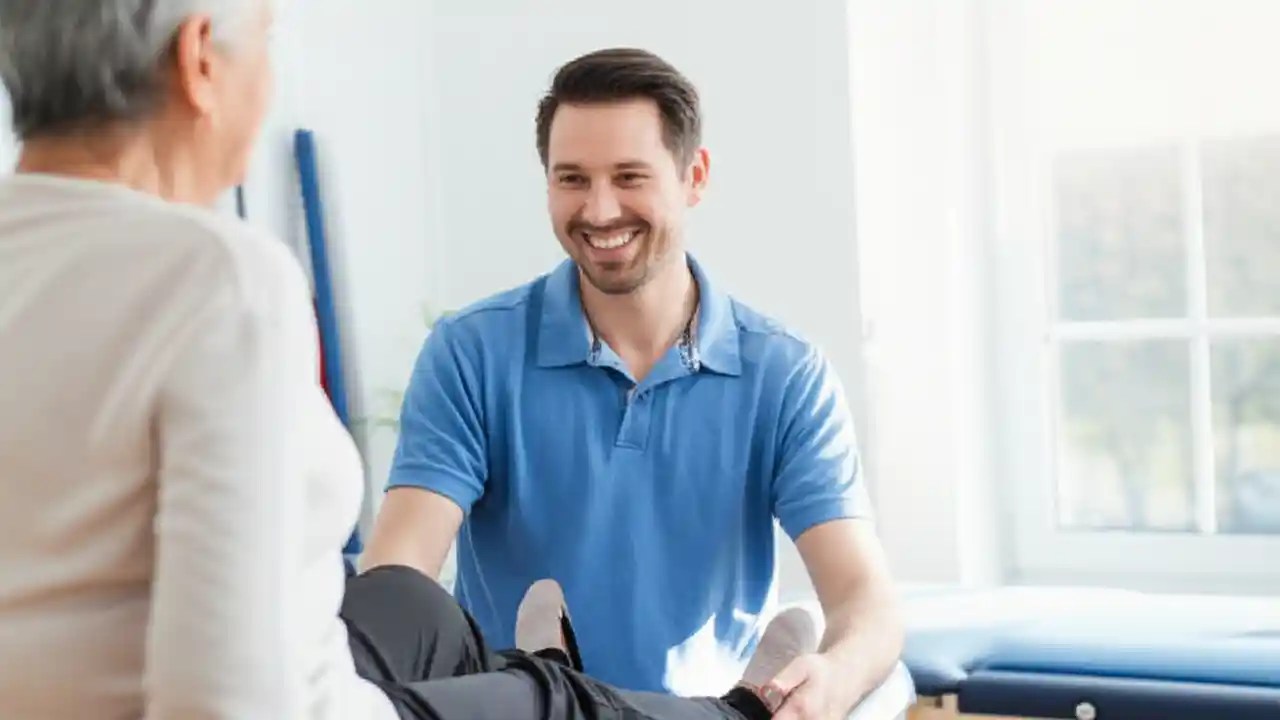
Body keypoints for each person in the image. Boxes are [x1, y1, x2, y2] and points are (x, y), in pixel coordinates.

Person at [0, 3, 815, 719]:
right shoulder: (217, 279)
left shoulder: (779, 364)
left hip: (328, 653)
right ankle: (737, 711)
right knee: (550, 703)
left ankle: (543, 662)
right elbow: (224, 700)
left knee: (409, 603)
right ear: (199, 60)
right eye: (270, 41)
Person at [364, 46, 904, 718]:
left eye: (628, 176)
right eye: (571, 179)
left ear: (693, 176)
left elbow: (865, 599)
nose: (598, 209)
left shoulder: (785, 374)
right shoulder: (470, 352)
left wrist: (835, 674)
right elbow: (400, 574)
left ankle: (571, 675)